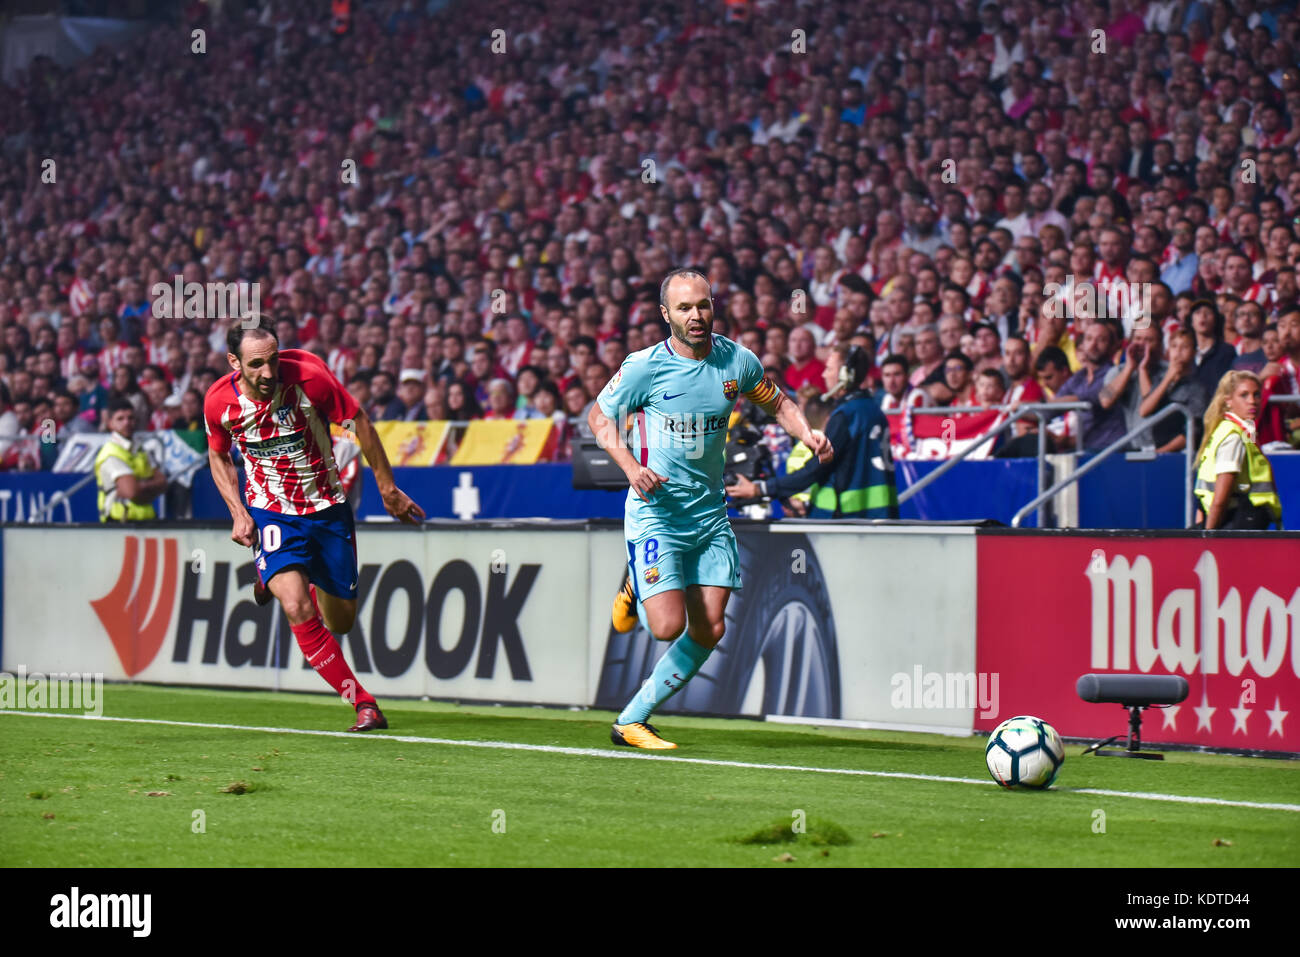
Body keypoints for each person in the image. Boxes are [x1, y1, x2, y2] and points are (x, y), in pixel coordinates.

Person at [589, 269, 831, 750]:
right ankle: (635, 582)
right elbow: (600, 417)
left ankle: (631, 721)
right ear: (666, 315)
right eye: (684, 308)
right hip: (656, 510)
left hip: (710, 515)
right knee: (665, 627)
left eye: (702, 304)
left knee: (711, 627)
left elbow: (778, 403)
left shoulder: (735, 361)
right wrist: (630, 466)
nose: (696, 315)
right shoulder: (644, 367)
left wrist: (806, 433)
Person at [205, 317, 426, 732]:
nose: (268, 373)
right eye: (255, 365)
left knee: (340, 621)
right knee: (295, 606)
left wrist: (387, 487)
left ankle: (289, 573)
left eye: (272, 361)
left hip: (326, 508)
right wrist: (238, 510)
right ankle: (363, 703)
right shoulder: (219, 402)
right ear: (234, 361)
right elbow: (217, 455)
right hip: (271, 511)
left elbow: (358, 420)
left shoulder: (310, 377)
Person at [727, 343, 897, 519]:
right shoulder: (873, 409)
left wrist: (760, 488)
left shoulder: (846, 415)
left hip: (853, 518)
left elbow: (817, 468)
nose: (824, 374)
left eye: (829, 369)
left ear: (845, 375)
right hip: (882, 512)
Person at [1193, 370, 1282, 529]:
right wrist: (1207, 538)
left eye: (1256, 395)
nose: (1252, 401)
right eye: (1244, 395)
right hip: (1233, 521)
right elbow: (1220, 500)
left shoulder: (1232, 430)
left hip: (1233, 520)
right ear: (1228, 401)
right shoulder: (1233, 437)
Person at [94, 398, 168, 522]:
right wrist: (149, 486)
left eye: (130, 418)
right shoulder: (110, 453)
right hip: (118, 522)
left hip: (147, 520)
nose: (127, 422)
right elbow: (131, 491)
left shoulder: (140, 449)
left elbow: (163, 483)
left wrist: (141, 486)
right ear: (110, 423)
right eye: (120, 419)